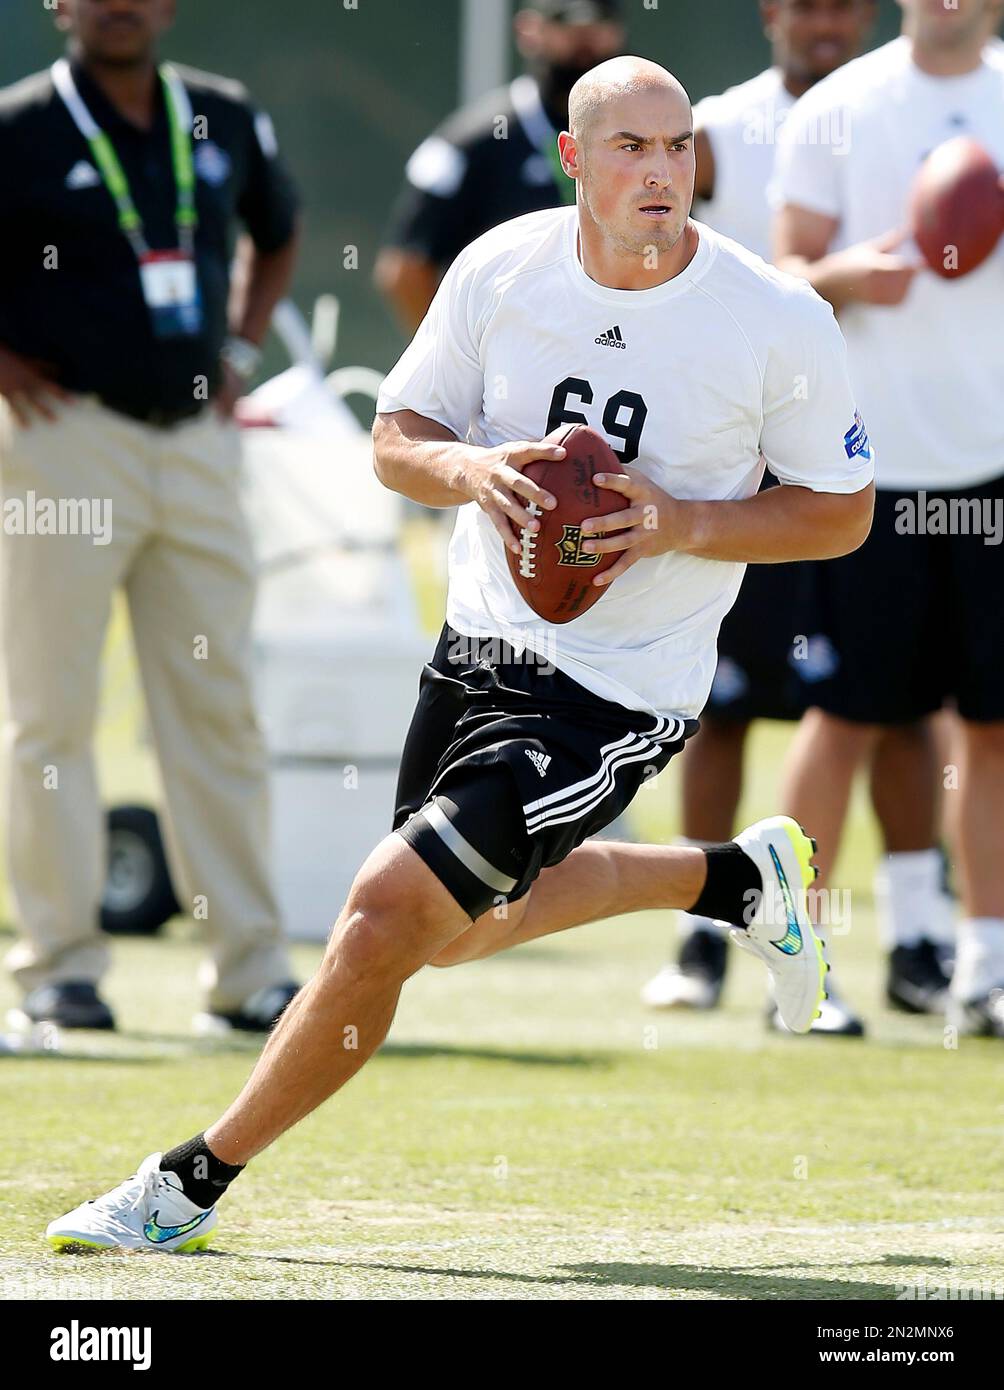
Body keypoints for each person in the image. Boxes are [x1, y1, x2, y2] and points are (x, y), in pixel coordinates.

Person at [45, 56, 874, 1252]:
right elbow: (397, 434)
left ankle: (184, 1182)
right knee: (459, 926)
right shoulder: (500, 266)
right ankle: (734, 878)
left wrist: (679, 521)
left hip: (614, 686)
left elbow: (837, 508)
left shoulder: (771, 316)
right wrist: (470, 471)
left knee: (384, 917)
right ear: (574, 163)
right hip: (476, 648)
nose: (660, 171)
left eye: (677, 145)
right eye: (629, 148)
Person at [0, 0, 301, 1034]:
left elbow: (282, 227)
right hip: (65, 436)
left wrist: (243, 351)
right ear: (60, 6)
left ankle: (249, 971)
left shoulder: (218, 113)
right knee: (50, 715)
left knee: (218, 707)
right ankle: (58, 971)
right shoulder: (20, 125)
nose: (119, 5)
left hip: (197, 439)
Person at [643, 0, 885, 1036]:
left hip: (864, 456)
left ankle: (894, 941)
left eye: (842, 3)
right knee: (719, 705)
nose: (824, 22)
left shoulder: (890, 113)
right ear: (768, 14)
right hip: (735, 462)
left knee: (879, 703)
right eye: (804, 3)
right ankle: (703, 932)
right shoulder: (716, 125)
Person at [771, 0, 1004, 1037]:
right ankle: (801, 970)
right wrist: (839, 278)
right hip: (870, 469)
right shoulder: (836, 107)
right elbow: (780, 277)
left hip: (993, 465)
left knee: (992, 730)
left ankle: (982, 971)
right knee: (844, 716)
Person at [374, 0, 624, 333]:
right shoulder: (475, 140)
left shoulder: (654, 132)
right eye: (566, 23)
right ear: (527, 30)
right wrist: (463, 362)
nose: (585, 40)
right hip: (520, 366)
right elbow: (405, 269)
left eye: (599, 22)